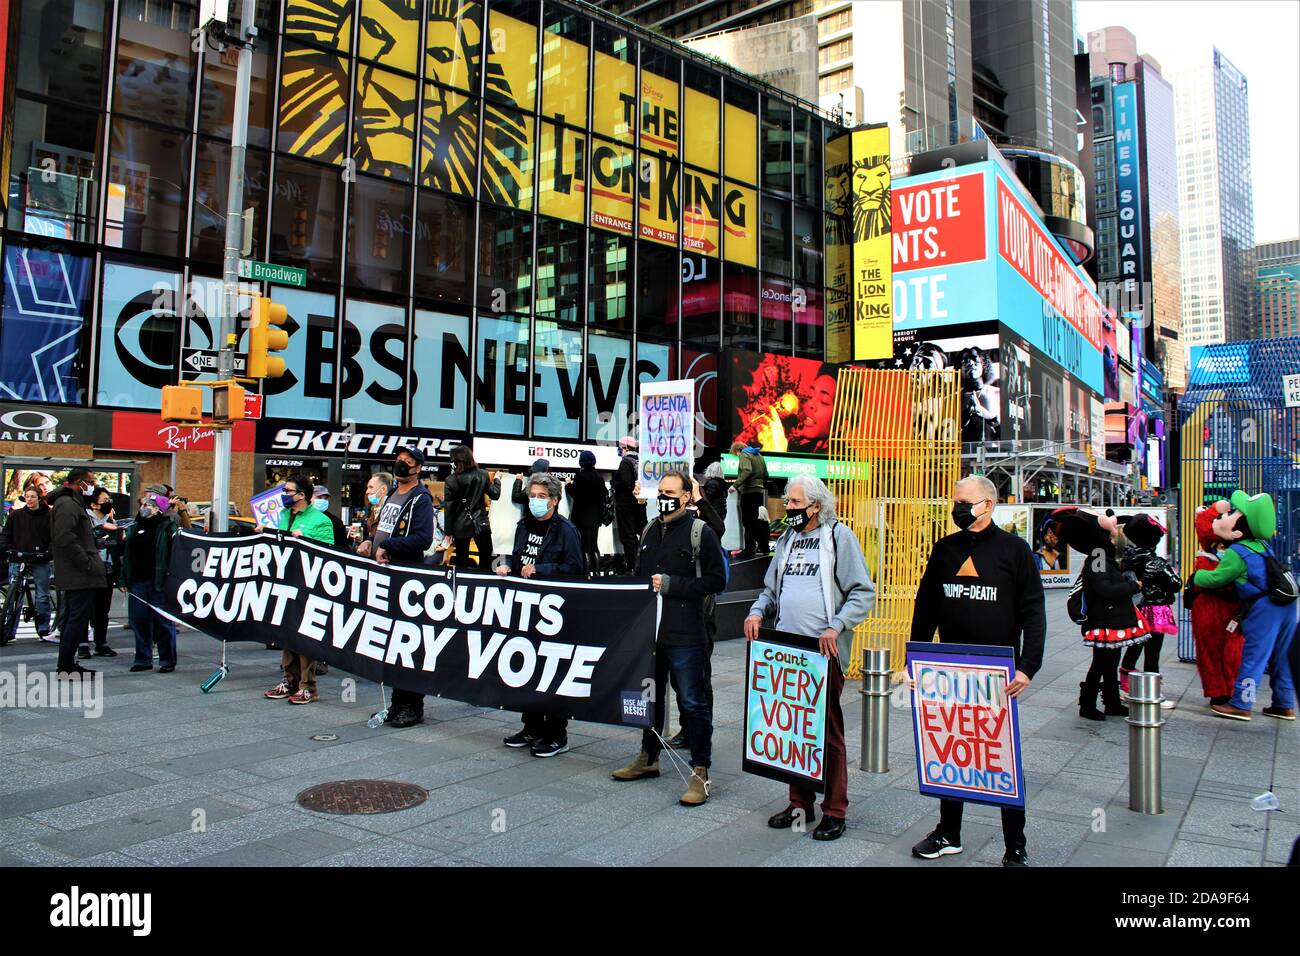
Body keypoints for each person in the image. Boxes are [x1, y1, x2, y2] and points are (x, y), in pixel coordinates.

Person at [909, 475, 1045, 866]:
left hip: (997, 675)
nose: (957, 508)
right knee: (951, 749)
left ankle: (1014, 845)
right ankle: (948, 833)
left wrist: (1028, 666)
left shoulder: (1014, 551)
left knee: (999, 757)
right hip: (949, 669)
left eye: (965, 501)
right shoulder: (945, 549)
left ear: (988, 504)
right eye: (955, 501)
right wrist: (914, 659)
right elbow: (926, 605)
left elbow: (1033, 611)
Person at [745, 475, 876, 842]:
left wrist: (836, 626)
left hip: (821, 653)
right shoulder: (787, 540)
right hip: (785, 651)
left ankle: (835, 809)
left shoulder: (838, 538)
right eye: (787, 501)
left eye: (795, 503)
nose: (788, 508)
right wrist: (757, 612)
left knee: (827, 731)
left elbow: (862, 593)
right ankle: (800, 803)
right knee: (791, 730)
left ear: (816, 506)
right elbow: (771, 588)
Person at [612, 470, 727, 806]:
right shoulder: (650, 529)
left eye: (671, 491)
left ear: (687, 496)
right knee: (651, 698)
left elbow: (716, 581)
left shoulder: (699, 532)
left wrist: (674, 584)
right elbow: (639, 578)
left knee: (692, 701)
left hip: (687, 633)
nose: (664, 496)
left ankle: (700, 772)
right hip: (652, 634)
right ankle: (648, 758)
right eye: (660, 490)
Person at [495, 472, 584, 756]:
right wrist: (507, 565)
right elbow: (518, 558)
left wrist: (541, 570)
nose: (535, 501)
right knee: (528, 669)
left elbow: (575, 569)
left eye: (542, 497)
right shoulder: (523, 526)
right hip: (527, 609)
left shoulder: (566, 530)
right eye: (532, 496)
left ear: (555, 501)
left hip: (555, 612)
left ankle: (557, 734)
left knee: (552, 672)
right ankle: (531, 726)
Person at [1193, 491, 1296, 721]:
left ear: (1237, 532)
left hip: (1265, 607)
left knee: (1254, 655)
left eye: (1230, 514)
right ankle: (1284, 704)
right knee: (1282, 655)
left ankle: (1241, 703)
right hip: (1287, 603)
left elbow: (1217, 579)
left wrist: (1196, 577)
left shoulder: (1237, 552)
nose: (1224, 515)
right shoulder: (1261, 545)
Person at [360, 446, 434, 727]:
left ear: (418, 469)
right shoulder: (393, 493)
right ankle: (396, 703)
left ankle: (412, 705)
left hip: (406, 579)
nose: (401, 464)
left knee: (407, 644)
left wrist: (388, 545)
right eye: (400, 460)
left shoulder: (421, 498)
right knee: (391, 644)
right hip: (386, 577)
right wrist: (371, 540)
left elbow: (423, 538)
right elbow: (383, 527)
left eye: (409, 462)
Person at [1052, 507, 1149, 722]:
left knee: (1108, 662)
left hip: (1108, 619)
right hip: (1103, 619)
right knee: (1101, 663)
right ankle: (1088, 704)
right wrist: (1133, 586)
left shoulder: (1101, 554)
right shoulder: (1098, 555)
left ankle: (1110, 702)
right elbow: (1103, 588)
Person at [259, 476, 334, 704]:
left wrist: (306, 539)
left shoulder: (320, 521)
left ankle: (307, 685)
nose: (283, 494)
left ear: (301, 495)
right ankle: (289, 680)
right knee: (287, 633)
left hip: (307, 585)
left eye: (288, 490)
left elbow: (328, 553)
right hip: (286, 582)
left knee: (304, 637)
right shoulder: (283, 516)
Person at [1118, 514, 1182, 709]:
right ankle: (1151, 692)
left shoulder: (1128, 559)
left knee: (1134, 646)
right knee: (1153, 653)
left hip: (1137, 609)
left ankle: (1126, 685)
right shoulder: (1157, 563)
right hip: (1156, 610)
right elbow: (1175, 584)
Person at [47, 468, 107, 676]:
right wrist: (86, 562)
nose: (93, 484)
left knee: (76, 619)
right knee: (76, 619)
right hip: (78, 573)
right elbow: (65, 538)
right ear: (79, 482)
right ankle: (65, 665)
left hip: (78, 571)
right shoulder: (67, 504)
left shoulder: (70, 502)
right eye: (90, 481)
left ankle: (67, 664)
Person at [1187, 503, 1244, 708]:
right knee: (1210, 651)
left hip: (1231, 613)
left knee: (1233, 652)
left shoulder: (1237, 551)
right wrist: (1213, 511)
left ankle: (1229, 688)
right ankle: (1218, 692)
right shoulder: (1206, 557)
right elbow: (1204, 526)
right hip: (1210, 611)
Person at [121, 491, 179, 673]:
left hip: (158, 582)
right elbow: (127, 555)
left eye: (148, 505)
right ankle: (143, 659)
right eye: (143, 505)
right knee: (139, 620)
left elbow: (176, 552)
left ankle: (167, 659)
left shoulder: (167, 527)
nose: (143, 508)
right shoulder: (134, 527)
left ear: (157, 510)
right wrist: (124, 578)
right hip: (137, 581)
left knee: (163, 621)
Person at [0, 487, 55, 641]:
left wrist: (48, 553)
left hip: (40, 559)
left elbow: (53, 538)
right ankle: (10, 630)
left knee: (42, 595)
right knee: (14, 594)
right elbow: (6, 535)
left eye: (33, 496)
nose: (29, 499)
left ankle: (43, 629)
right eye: (27, 496)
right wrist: (5, 549)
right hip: (18, 557)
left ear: (39, 498)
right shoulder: (16, 515)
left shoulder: (48, 516)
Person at [80, 488, 122, 659]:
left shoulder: (111, 519)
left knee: (103, 609)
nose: (108, 502)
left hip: (107, 570)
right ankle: (82, 644)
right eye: (105, 500)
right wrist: (101, 528)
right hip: (88, 570)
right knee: (85, 608)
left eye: (109, 499)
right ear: (94, 504)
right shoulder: (85, 520)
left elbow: (117, 546)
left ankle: (101, 643)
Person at [444, 445, 500, 569]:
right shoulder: (483, 474)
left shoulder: (450, 480)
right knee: (486, 557)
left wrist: (448, 532)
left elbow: (449, 508)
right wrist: (497, 480)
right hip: (481, 522)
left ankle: (463, 584)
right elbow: (495, 494)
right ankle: (484, 583)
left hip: (460, 525)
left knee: (461, 559)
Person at [566, 450, 606, 575]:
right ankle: (597, 571)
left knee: (584, 546)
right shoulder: (599, 477)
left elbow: (575, 493)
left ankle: (586, 572)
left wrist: (568, 485)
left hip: (582, 517)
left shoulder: (581, 476)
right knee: (594, 545)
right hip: (596, 518)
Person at [611, 437, 644, 573]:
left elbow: (625, 483)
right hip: (639, 503)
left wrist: (615, 483)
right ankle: (639, 563)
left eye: (620, 447)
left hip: (626, 505)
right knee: (639, 534)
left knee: (627, 536)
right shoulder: (639, 461)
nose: (619, 450)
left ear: (625, 448)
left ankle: (631, 566)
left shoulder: (625, 462)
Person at [733, 441, 770, 558]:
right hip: (758, 492)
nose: (737, 456)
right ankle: (764, 546)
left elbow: (746, 470)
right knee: (758, 520)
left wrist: (735, 485)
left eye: (735, 454)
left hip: (748, 492)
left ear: (737, 450)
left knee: (748, 522)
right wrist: (761, 486)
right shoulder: (759, 455)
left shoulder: (744, 454)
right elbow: (766, 474)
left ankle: (749, 549)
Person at [311, 484, 350, 549]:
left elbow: (343, 546)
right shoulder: (302, 516)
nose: (323, 501)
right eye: (319, 497)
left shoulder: (336, 521)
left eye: (326, 498)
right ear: (309, 497)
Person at [361, 471, 394, 541]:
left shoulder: (391, 511)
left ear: (383, 489)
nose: (367, 491)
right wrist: (361, 539)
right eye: (367, 487)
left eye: (371, 487)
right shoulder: (371, 509)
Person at [701, 461, 730, 541]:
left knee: (710, 537)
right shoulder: (722, 484)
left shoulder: (712, 483)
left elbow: (707, 499)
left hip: (712, 513)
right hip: (720, 514)